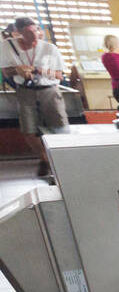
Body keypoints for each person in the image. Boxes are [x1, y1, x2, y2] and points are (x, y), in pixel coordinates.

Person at [1, 17, 69, 180]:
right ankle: (44, 158)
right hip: (25, 91)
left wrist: (38, 70)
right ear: (17, 33)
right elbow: (6, 72)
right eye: (28, 32)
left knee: (59, 126)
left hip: (49, 90)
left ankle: (62, 161)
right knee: (28, 129)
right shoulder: (7, 47)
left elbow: (59, 75)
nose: (35, 34)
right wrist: (19, 70)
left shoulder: (49, 48)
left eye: (36, 30)